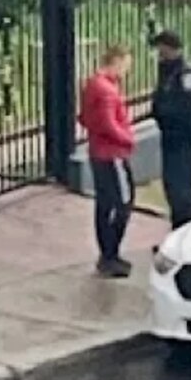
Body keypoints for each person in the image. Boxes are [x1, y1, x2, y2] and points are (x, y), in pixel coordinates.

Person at [79, 45, 136, 278]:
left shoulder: (93, 84)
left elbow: (85, 117)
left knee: (105, 203)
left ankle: (108, 254)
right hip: (112, 154)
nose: (127, 70)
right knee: (123, 202)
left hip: (98, 152)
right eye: (126, 64)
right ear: (118, 61)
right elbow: (107, 123)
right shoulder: (107, 90)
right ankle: (110, 254)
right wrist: (127, 139)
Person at [150, 30, 191, 229]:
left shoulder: (186, 75)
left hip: (185, 141)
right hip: (170, 141)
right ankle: (178, 232)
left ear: (171, 48)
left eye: (162, 49)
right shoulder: (166, 73)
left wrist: (166, 114)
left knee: (185, 193)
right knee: (172, 188)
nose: (159, 54)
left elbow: (190, 107)